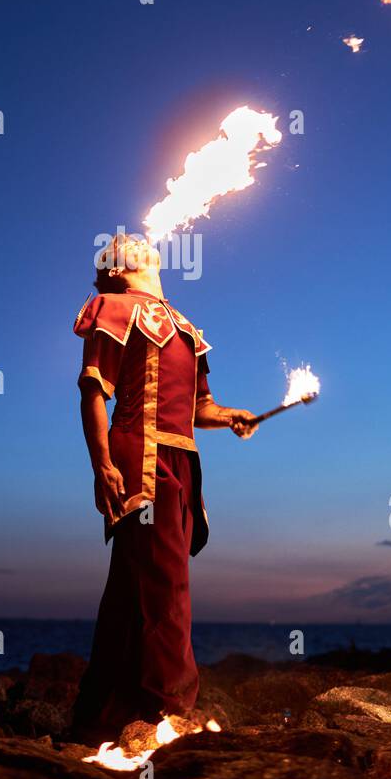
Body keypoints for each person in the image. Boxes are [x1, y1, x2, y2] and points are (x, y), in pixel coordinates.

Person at [71, 232, 256, 744]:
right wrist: (102, 464)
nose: (137, 239)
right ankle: (167, 711)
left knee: (132, 588)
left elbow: (200, 408)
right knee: (165, 583)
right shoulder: (112, 307)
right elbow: (94, 392)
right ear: (115, 268)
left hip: (183, 461)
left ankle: (102, 715)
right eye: (124, 242)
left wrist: (230, 416)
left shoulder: (186, 327)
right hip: (142, 456)